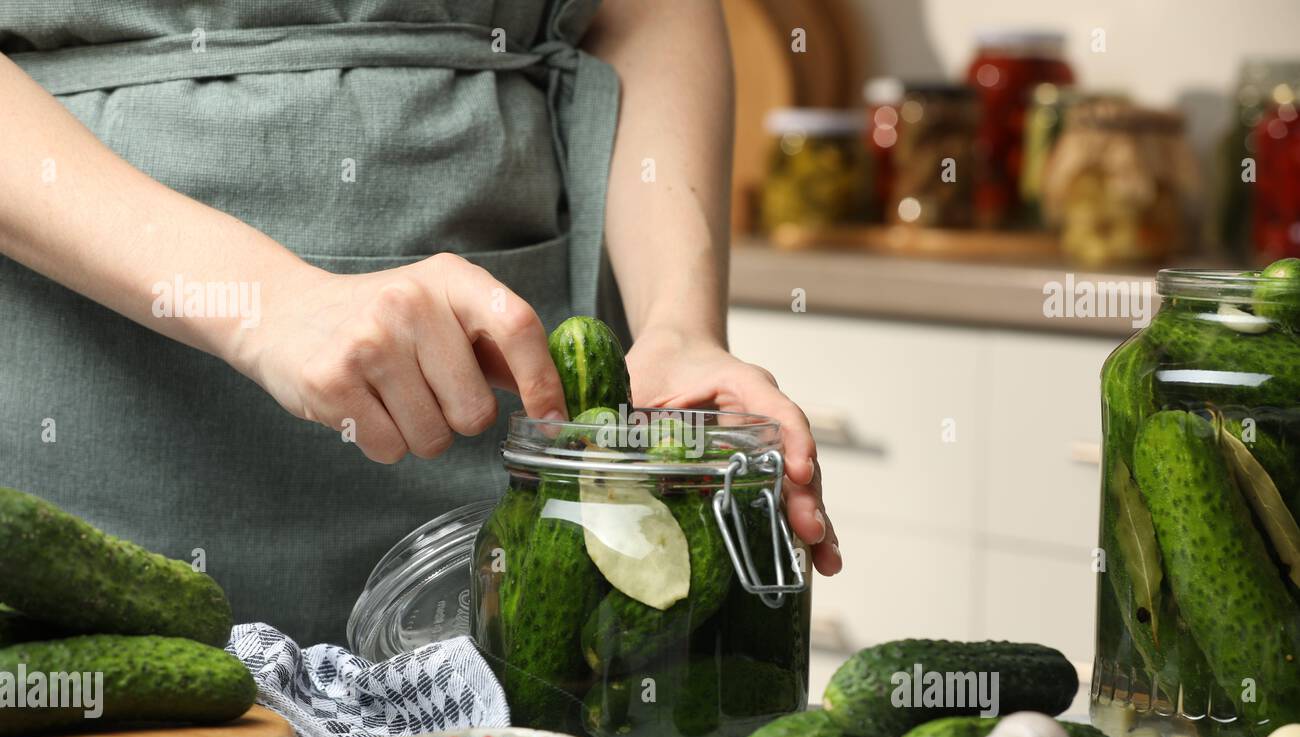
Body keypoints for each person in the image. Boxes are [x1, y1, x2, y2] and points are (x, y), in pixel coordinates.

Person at [0, 1, 840, 646]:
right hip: (97, 402)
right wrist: (266, 303)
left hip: (505, 428)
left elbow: (650, 14)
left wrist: (678, 325)